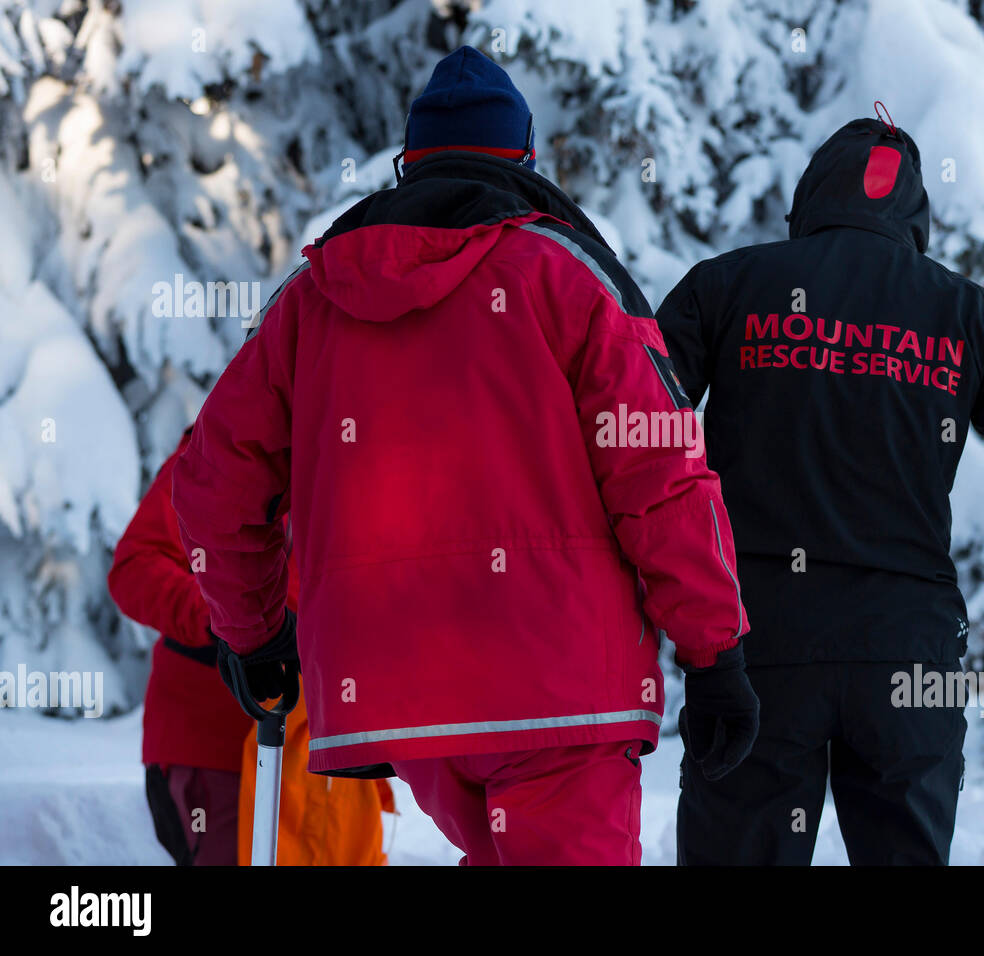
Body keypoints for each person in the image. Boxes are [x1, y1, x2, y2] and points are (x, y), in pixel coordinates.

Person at [170, 46, 758, 867]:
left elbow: (210, 481)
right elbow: (659, 470)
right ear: (524, 159)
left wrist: (254, 633)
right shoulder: (569, 274)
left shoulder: (311, 297)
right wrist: (715, 650)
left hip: (395, 690)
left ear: (408, 165)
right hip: (559, 683)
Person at [656, 114, 984, 865]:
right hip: (913, 661)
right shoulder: (972, 317)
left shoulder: (728, 285)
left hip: (759, 647)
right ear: (915, 217)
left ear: (811, 197)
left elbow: (634, 434)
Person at [109, 428, 389, 865]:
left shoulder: (360, 466)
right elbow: (135, 567)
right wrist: (236, 621)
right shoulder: (220, 453)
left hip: (325, 760)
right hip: (214, 756)